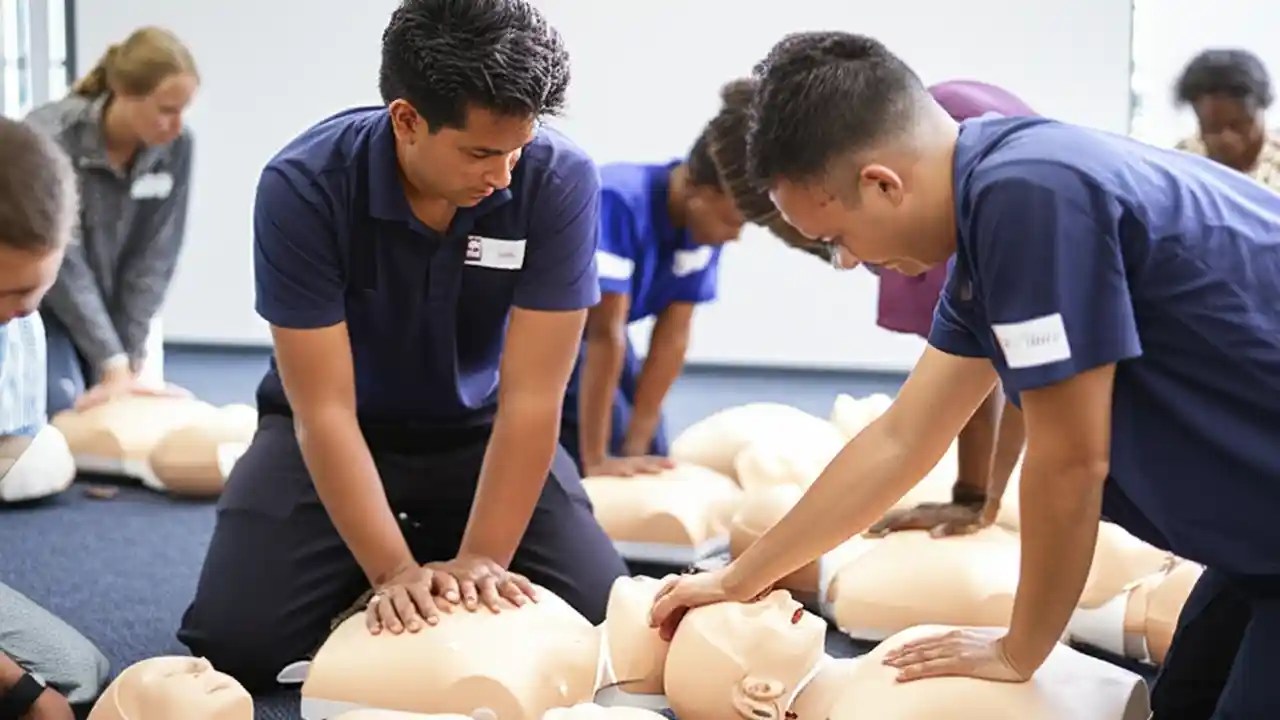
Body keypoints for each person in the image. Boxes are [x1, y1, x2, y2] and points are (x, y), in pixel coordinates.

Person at [649, 32, 1280, 719]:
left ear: (881, 184)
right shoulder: (993, 205)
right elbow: (902, 437)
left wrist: (1020, 649)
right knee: (1185, 698)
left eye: (835, 241)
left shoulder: (1030, 195)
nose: (851, 262)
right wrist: (738, 578)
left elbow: (1070, 460)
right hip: (1252, 536)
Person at [176, 0, 628, 690]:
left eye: (518, 149)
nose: (504, 175)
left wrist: (482, 558)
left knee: (603, 612)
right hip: (339, 431)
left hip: (483, 431)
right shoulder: (303, 186)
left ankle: (433, 553)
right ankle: (388, 561)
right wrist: (390, 572)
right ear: (407, 120)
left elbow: (536, 397)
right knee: (238, 642)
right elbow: (322, 410)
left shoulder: (560, 178)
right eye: (481, 152)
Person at [706, 76, 1030, 537]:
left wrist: (978, 499)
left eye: (834, 241)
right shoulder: (931, 127)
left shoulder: (947, 181)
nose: (851, 260)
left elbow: (991, 356)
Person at [24, 26, 199, 416]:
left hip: (120, 311)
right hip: (46, 304)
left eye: (183, 111)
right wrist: (111, 361)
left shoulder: (178, 148)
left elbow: (155, 260)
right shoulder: (50, 137)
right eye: (166, 110)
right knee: (64, 403)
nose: (175, 125)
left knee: (127, 407)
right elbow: (62, 262)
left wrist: (128, 360)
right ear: (123, 92)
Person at [0, 118, 110, 718]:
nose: (14, 312)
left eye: (30, 290)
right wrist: (17, 686)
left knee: (76, 674)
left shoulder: (19, 333)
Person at [560, 124, 745, 478]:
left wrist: (638, 443)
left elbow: (673, 335)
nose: (735, 235)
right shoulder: (616, 201)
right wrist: (597, 459)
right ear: (694, 190)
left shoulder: (702, 230)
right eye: (730, 221)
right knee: (605, 443)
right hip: (551, 327)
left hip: (607, 333)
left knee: (652, 453)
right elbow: (602, 333)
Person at [1174, 48, 1280, 192]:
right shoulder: (1182, 165)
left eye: (1238, 126)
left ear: (1260, 110)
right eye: (1212, 128)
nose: (1226, 138)